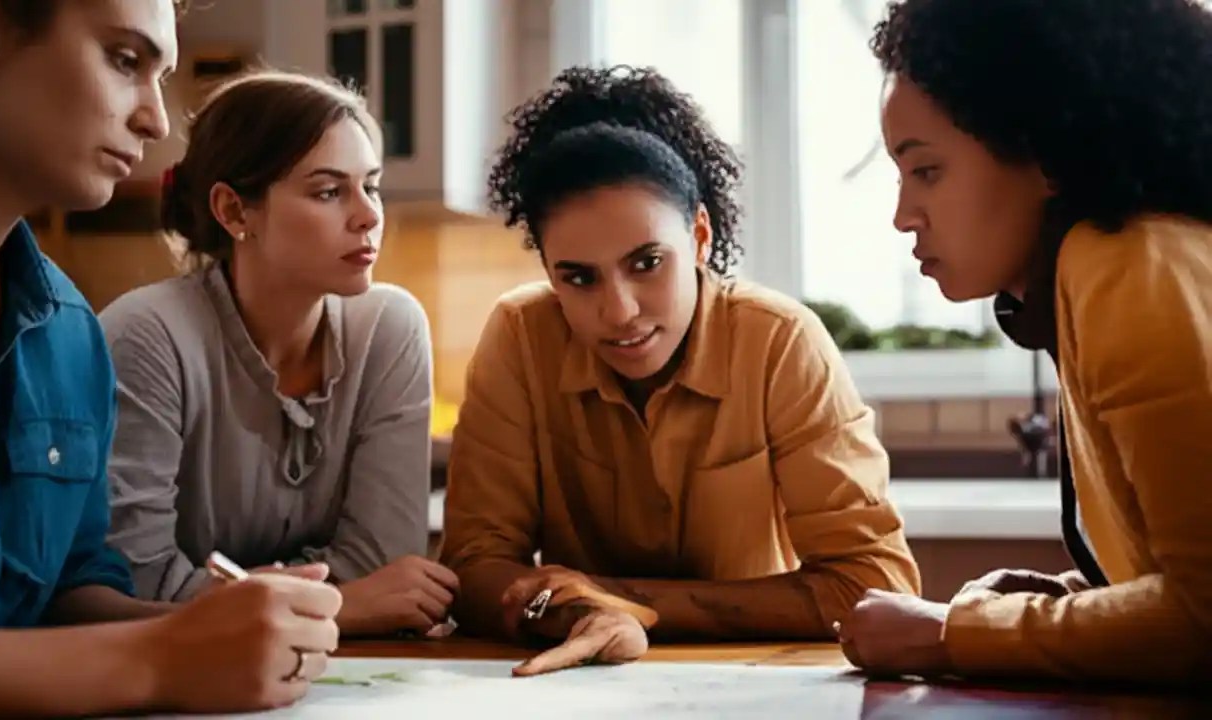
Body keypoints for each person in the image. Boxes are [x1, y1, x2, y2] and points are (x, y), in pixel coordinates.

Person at [0, 1, 343, 716]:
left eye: (164, 76)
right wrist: (155, 659)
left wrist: (217, 630)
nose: (156, 120)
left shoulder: (69, 331)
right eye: (126, 61)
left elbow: (67, 592)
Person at [440, 65, 920, 676]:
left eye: (646, 262)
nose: (619, 311)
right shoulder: (519, 335)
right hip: (577, 679)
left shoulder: (779, 341)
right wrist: (573, 616)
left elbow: (873, 582)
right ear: (548, 270)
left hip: (760, 684)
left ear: (699, 236)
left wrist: (621, 602)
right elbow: (474, 565)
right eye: (578, 278)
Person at [837, 0, 1212, 688]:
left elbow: (1203, 616)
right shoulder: (1117, 267)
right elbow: (1177, 583)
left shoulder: (1129, 269)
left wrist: (950, 634)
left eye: (926, 171)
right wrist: (1071, 597)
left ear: (1045, 155)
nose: (902, 215)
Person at [100, 69, 458, 638]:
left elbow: (386, 564)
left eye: (373, 185)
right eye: (328, 191)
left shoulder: (390, 328)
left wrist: (246, 593)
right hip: (183, 669)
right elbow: (136, 582)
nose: (369, 215)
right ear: (236, 213)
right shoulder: (148, 335)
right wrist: (349, 603)